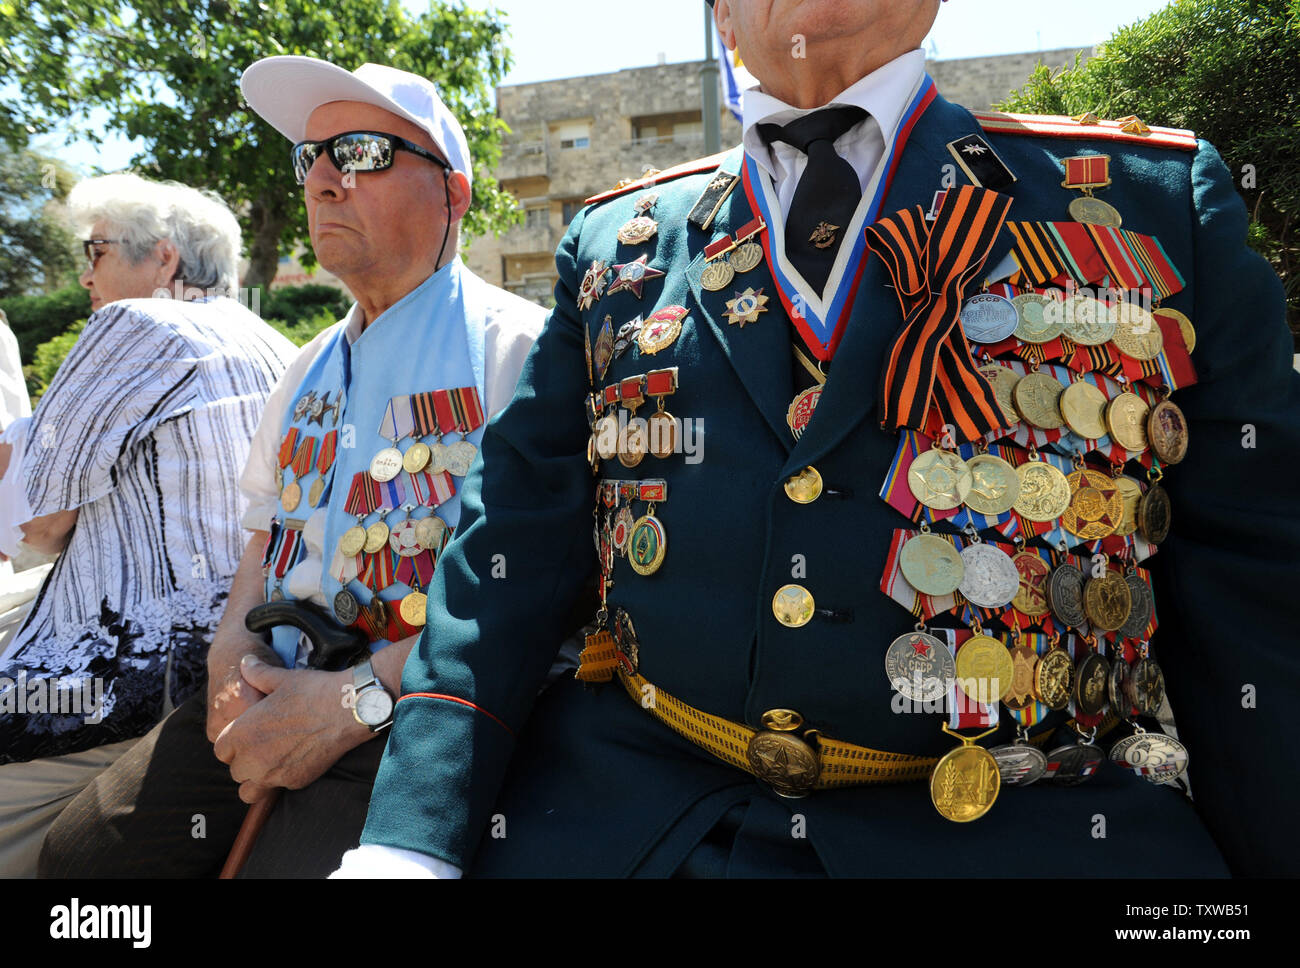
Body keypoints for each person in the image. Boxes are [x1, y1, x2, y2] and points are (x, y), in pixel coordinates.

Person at [340, 0, 1300, 877]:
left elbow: (1257, 587)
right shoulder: (620, 239)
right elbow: (507, 546)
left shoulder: (1153, 202)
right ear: (719, 13)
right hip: (635, 822)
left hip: (1031, 833)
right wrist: (408, 839)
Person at [39, 58, 548, 877]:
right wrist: (231, 662)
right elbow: (264, 535)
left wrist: (355, 700)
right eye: (310, 157)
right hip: (272, 671)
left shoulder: (520, 350)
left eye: (362, 153)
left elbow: (538, 594)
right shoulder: (305, 363)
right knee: (85, 858)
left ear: (451, 194)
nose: (323, 180)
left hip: (413, 703)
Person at [0, 173, 297, 874]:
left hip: (138, 669)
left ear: (162, 259)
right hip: (258, 640)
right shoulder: (274, 339)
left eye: (96, 250)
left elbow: (38, 523)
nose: (84, 276)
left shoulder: (135, 324)